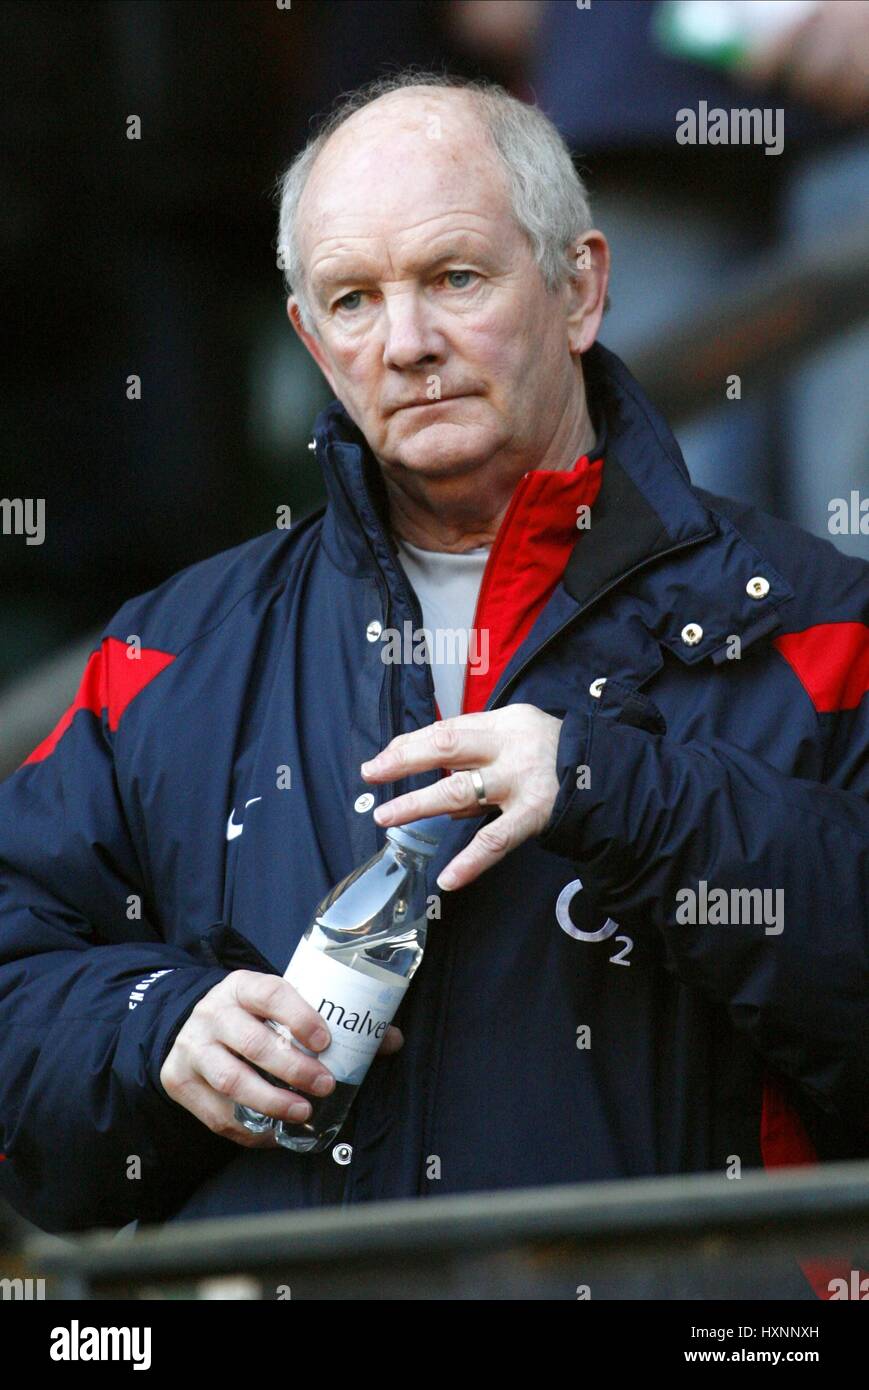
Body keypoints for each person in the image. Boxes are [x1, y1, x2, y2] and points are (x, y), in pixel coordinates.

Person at [0, 72, 866, 1299]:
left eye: (454, 277)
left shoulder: (824, 623)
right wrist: (151, 1030)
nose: (404, 343)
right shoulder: (169, 653)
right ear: (308, 337)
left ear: (579, 287)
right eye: (353, 299)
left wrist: (615, 789)